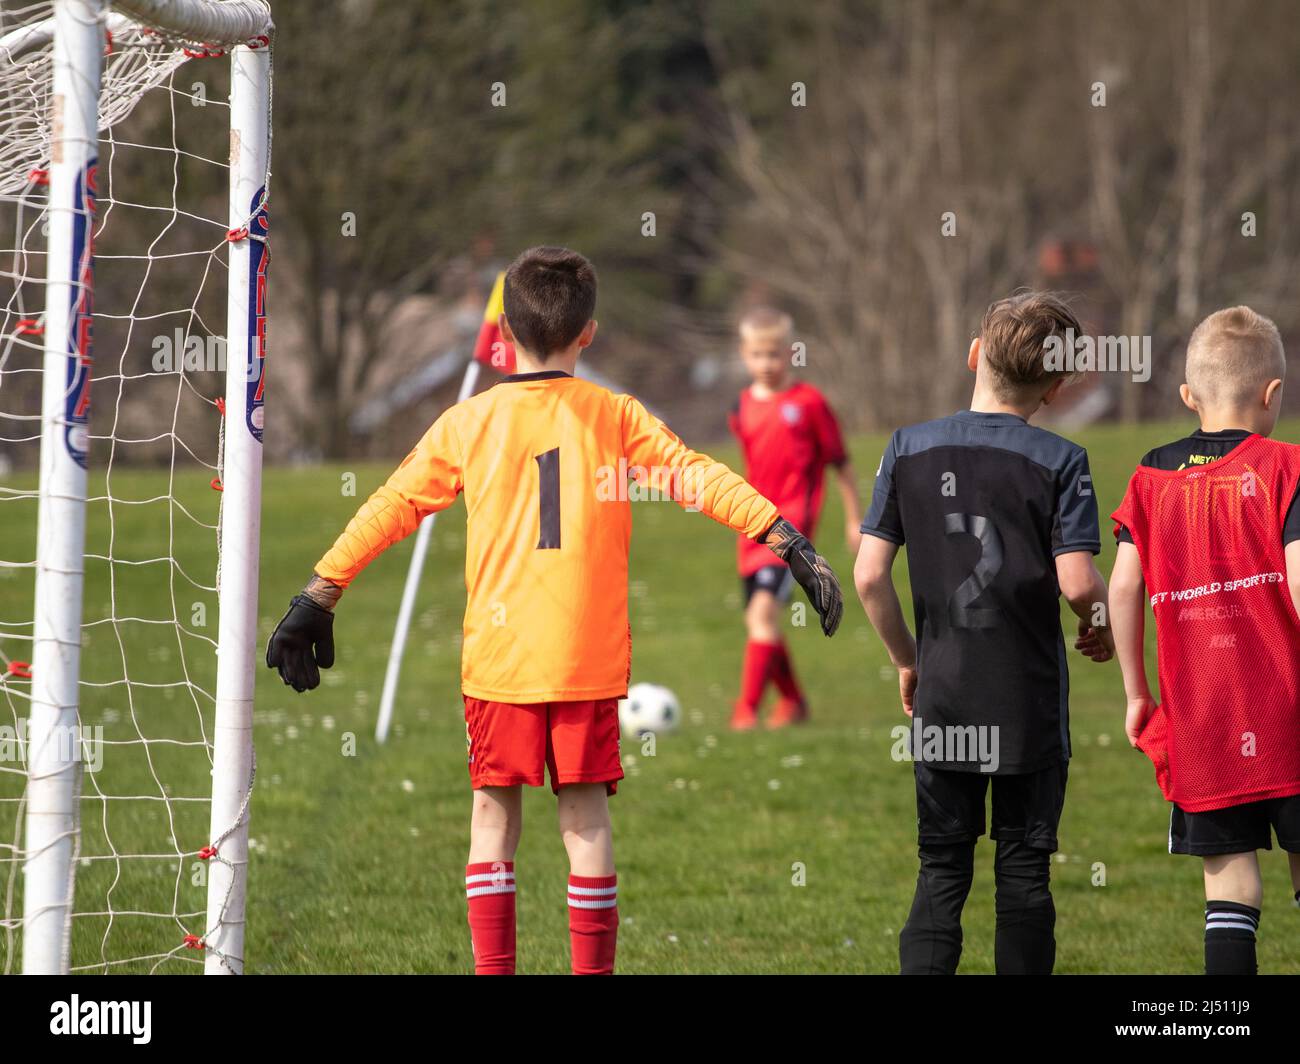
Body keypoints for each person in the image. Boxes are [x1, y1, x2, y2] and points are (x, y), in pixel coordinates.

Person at [265, 246, 843, 975]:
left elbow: (394, 505)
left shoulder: (469, 421)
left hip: (500, 664)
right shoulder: (616, 414)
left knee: (492, 816)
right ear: (589, 333)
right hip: (585, 659)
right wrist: (780, 532)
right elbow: (697, 475)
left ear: (502, 332)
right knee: (585, 818)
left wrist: (323, 589)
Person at [855, 291, 1113, 974]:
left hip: (945, 699)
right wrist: (1099, 627)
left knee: (940, 873)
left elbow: (869, 577)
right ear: (1056, 388)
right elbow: (1081, 583)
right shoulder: (1061, 462)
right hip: (1026, 706)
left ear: (974, 355)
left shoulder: (907, 447)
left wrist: (907, 660)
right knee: (1024, 877)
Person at [1110, 305, 1300, 975]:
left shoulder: (1151, 476)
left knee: (1229, 887)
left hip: (1203, 722)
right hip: (1289, 711)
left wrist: (1137, 692)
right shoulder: (1288, 467)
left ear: (1189, 397)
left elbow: (1124, 591)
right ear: (1273, 394)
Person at [728, 306, 860, 729]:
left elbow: (841, 462)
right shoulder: (741, 407)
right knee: (758, 622)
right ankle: (795, 702)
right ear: (744, 355)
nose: (766, 364)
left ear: (790, 353)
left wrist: (853, 518)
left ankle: (745, 712)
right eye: (757, 355)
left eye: (774, 354)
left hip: (789, 531)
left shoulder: (809, 403)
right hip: (749, 525)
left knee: (763, 615)